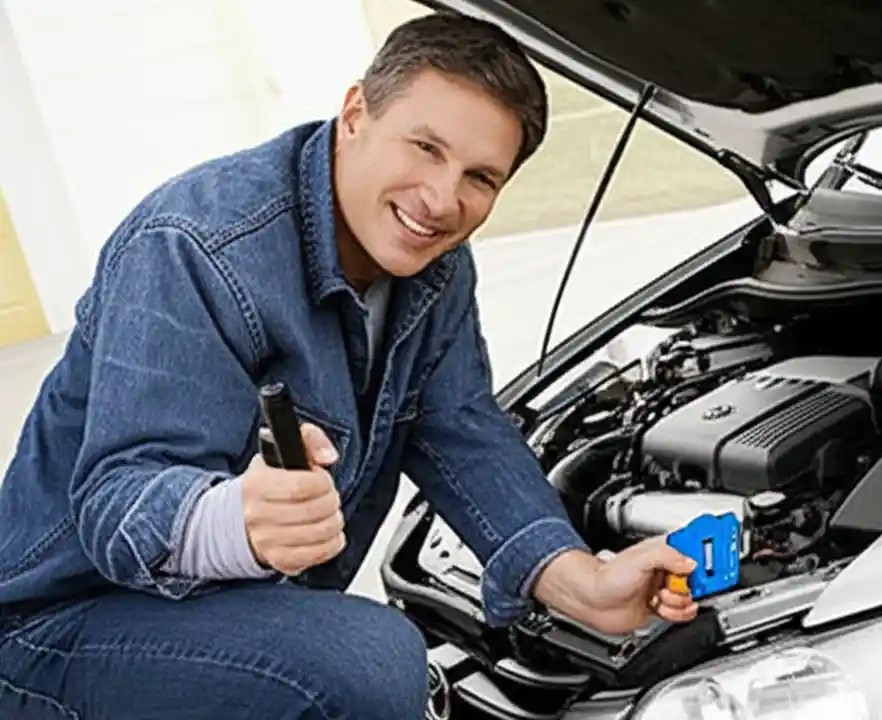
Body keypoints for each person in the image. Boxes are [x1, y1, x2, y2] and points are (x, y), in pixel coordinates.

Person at [0, 12, 698, 719]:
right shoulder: (194, 246)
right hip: (55, 627)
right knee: (366, 661)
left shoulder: (436, 268)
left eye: (479, 178)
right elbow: (117, 501)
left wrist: (575, 579)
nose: (441, 199)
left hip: (229, 618)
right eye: (425, 147)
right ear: (356, 111)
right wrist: (232, 520)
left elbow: (459, 426)